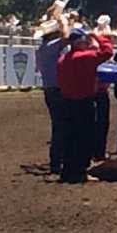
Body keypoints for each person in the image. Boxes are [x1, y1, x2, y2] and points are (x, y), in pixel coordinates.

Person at [56, 28, 114, 183]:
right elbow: (107, 52)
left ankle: (67, 171)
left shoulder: (62, 59)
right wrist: (96, 36)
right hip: (83, 101)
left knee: (69, 138)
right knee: (84, 138)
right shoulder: (86, 57)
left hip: (67, 101)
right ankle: (80, 172)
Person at [35, 13, 70, 175]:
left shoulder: (43, 48)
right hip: (58, 89)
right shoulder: (53, 46)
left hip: (50, 89)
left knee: (58, 124)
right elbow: (66, 36)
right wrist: (63, 20)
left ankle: (57, 159)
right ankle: (58, 160)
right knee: (62, 125)